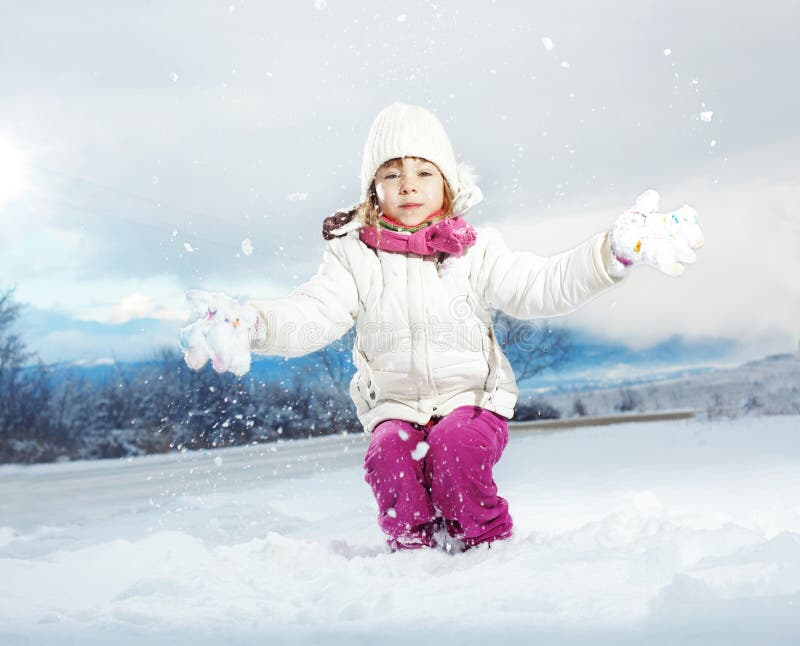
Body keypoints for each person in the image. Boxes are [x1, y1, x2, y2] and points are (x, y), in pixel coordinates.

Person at [179, 102, 704, 552]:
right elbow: (312, 312)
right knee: (390, 454)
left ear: (448, 184)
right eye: (392, 173)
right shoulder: (353, 259)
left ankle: (485, 544)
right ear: (372, 190)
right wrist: (255, 322)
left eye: (424, 172)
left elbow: (542, 284)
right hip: (395, 409)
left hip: (473, 402)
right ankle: (414, 552)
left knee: (454, 448)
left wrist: (608, 254)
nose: (408, 184)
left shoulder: (474, 251)